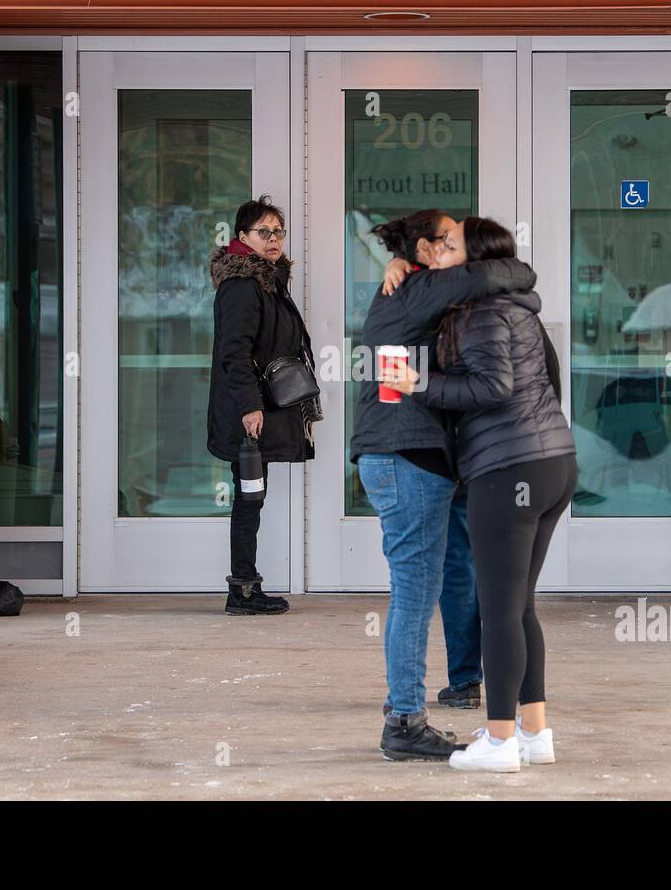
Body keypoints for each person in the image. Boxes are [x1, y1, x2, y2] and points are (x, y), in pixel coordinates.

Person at [384, 216, 576, 773]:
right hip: (551, 462)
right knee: (519, 608)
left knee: (497, 611)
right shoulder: (516, 306)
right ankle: (533, 732)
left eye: (451, 244)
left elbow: (493, 388)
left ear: (475, 260)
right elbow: (547, 383)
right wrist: (399, 265)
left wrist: (420, 385)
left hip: (509, 470)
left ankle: (498, 742)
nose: (440, 249)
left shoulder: (483, 312)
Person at [351, 209, 537, 761]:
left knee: (426, 584)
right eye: (450, 240)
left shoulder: (414, 288)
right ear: (430, 250)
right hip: (403, 455)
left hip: (406, 455)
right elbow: (505, 272)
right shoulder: (420, 286)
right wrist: (405, 262)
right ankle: (405, 721)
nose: (458, 248)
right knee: (414, 592)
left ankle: (415, 701)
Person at [207, 195, 319, 615]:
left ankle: (246, 587)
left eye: (278, 232)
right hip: (249, 414)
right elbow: (234, 353)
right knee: (249, 498)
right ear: (242, 237)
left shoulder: (267, 281)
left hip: (256, 408)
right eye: (264, 232)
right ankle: (243, 590)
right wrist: (250, 408)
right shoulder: (242, 287)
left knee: (252, 496)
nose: (274, 239)